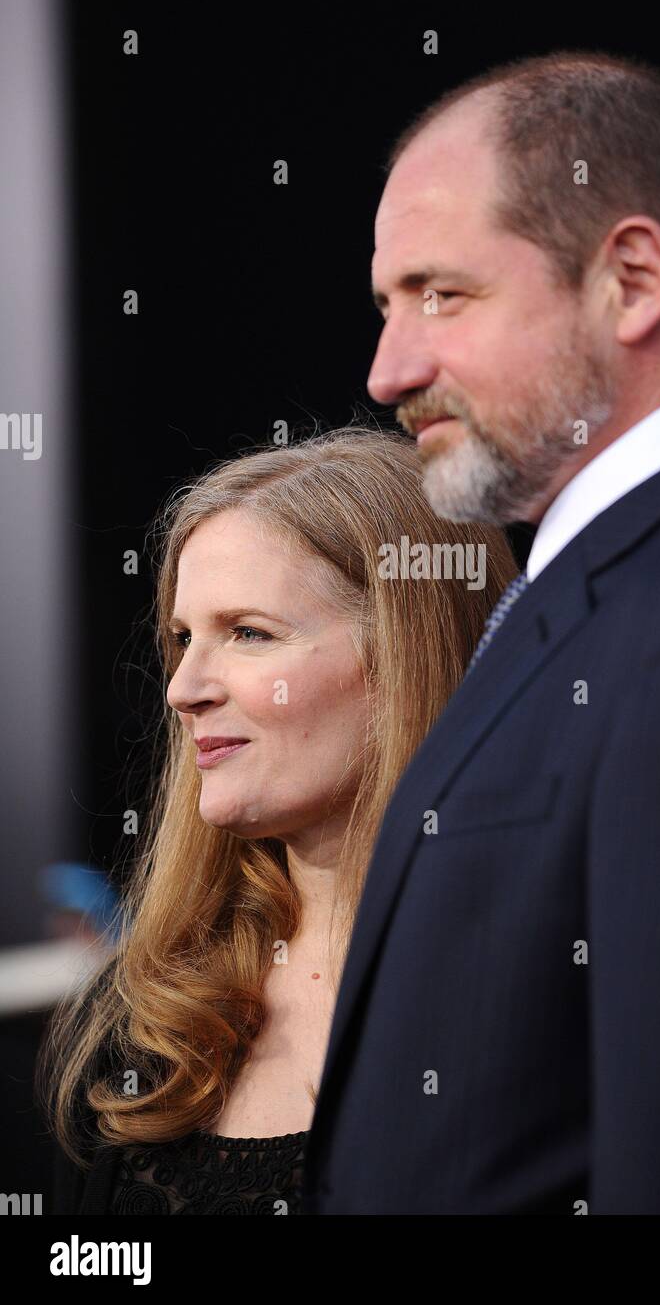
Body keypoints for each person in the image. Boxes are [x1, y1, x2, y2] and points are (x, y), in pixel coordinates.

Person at [301, 51, 660, 1214]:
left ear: (635, 279)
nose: (387, 369)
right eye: (384, 304)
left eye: (440, 294)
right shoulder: (644, 591)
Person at [37, 427, 517, 1214]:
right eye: (182, 639)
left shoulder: (569, 990)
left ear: (406, 653)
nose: (183, 689)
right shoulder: (139, 1024)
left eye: (249, 634)